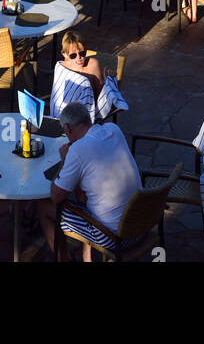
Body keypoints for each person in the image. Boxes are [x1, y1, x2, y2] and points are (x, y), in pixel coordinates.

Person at [40, 102, 142, 260]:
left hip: (115, 237)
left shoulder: (78, 149)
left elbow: (56, 196)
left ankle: (64, 259)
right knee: (86, 198)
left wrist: (64, 161)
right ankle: (86, 257)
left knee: (44, 207)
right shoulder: (113, 129)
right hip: (141, 224)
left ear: (68, 128)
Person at [49, 30, 128, 124]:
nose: (79, 58)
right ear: (64, 54)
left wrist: (108, 81)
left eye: (82, 53)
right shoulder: (61, 68)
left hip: (86, 117)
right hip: (61, 117)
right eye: (73, 55)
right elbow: (57, 97)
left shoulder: (92, 65)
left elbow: (101, 95)